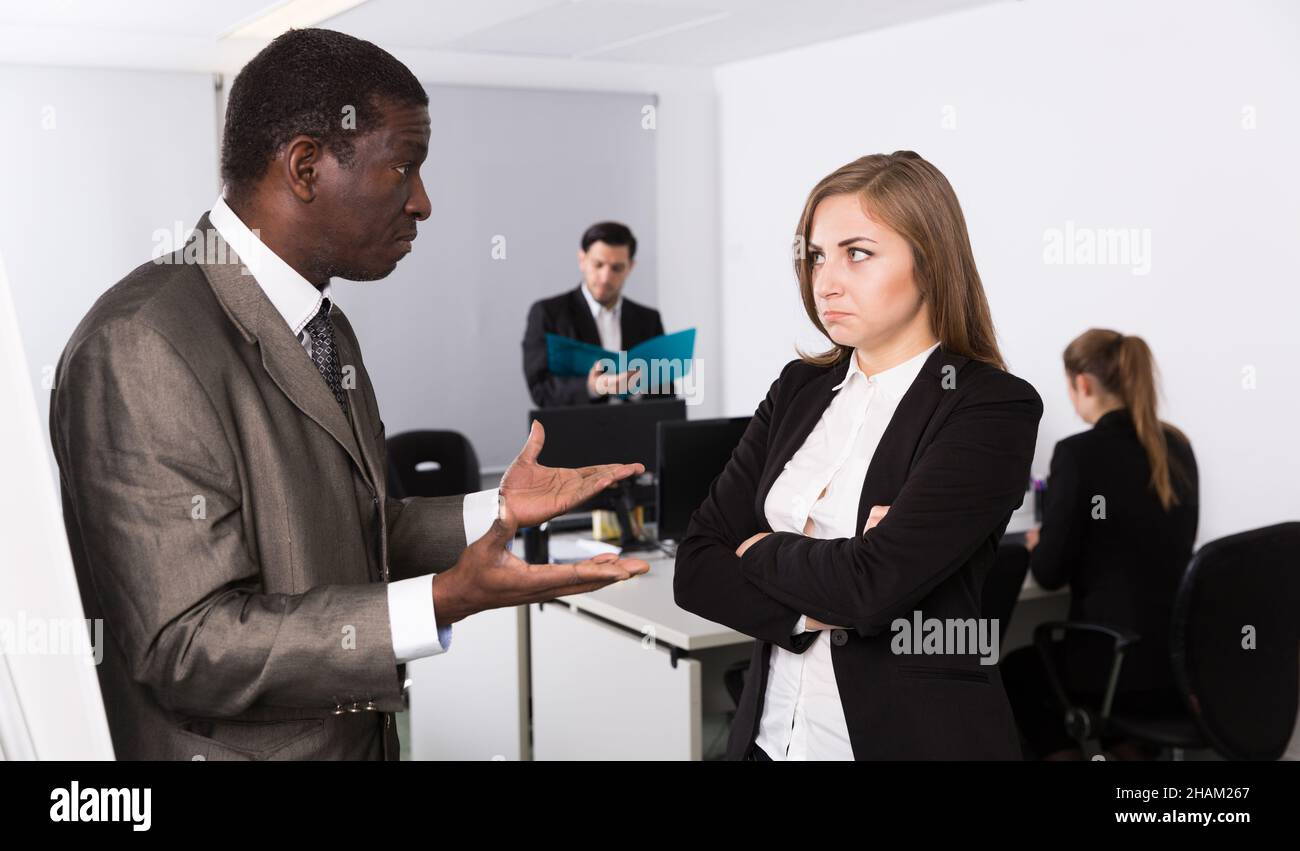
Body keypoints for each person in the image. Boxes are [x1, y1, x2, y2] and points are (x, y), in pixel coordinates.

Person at [48, 28, 648, 761]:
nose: (422, 202)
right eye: (405, 168)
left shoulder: (324, 326)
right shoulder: (142, 342)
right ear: (306, 166)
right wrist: (434, 602)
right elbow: (186, 643)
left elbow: (349, 532)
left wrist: (493, 510)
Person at [673, 151, 1042, 760]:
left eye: (858, 253)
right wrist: (832, 584)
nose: (826, 281)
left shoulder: (990, 406)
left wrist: (760, 549)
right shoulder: (797, 389)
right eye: (817, 255)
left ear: (930, 261)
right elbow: (695, 568)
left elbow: (872, 587)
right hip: (770, 742)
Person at [1002, 329, 1198, 760]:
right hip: (1175, 663)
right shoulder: (1177, 447)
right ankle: (1125, 748)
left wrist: (1042, 542)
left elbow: (1050, 576)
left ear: (1083, 384)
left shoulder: (1078, 454)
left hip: (1112, 664)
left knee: (1016, 672)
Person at [522, 221, 666, 406]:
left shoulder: (648, 320)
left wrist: (636, 388)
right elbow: (541, 390)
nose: (605, 277)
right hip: (576, 431)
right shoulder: (548, 314)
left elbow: (665, 391)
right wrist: (592, 387)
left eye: (617, 268)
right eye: (598, 264)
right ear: (582, 260)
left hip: (639, 429)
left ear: (630, 267)